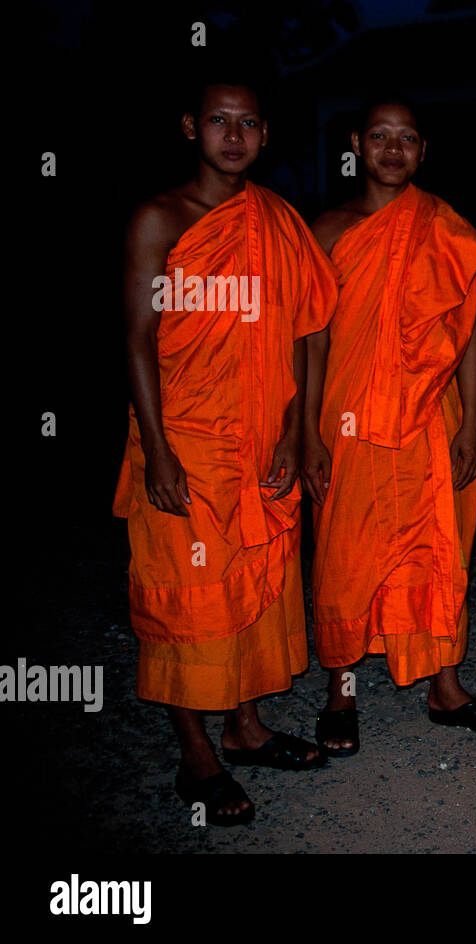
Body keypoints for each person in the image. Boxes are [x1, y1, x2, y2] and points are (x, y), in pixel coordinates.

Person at [115, 80, 337, 825]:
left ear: (266, 134)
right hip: (186, 438)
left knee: (251, 587)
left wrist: (296, 430)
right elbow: (139, 339)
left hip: (261, 443)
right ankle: (196, 753)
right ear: (190, 127)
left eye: (247, 123)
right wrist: (157, 449)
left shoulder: (277, 220)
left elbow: (308, 330)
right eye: (218, 120)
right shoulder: (160, 217)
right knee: (185, 597)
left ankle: (243, 727)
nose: (233, 135)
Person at [306, 96, 476, 755]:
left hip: (432, 416)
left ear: (424, 151)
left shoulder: (446, 228)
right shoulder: (327, 229)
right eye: (379, 137)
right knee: (345, 549)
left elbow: (471, 338)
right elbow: (308, 339)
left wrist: (472, 427)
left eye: (407, 139)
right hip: (350, 417)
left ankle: (444, 685)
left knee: (438, 548)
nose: (393, 150)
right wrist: (307, 432)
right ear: (356, 144)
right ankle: (341, 687)